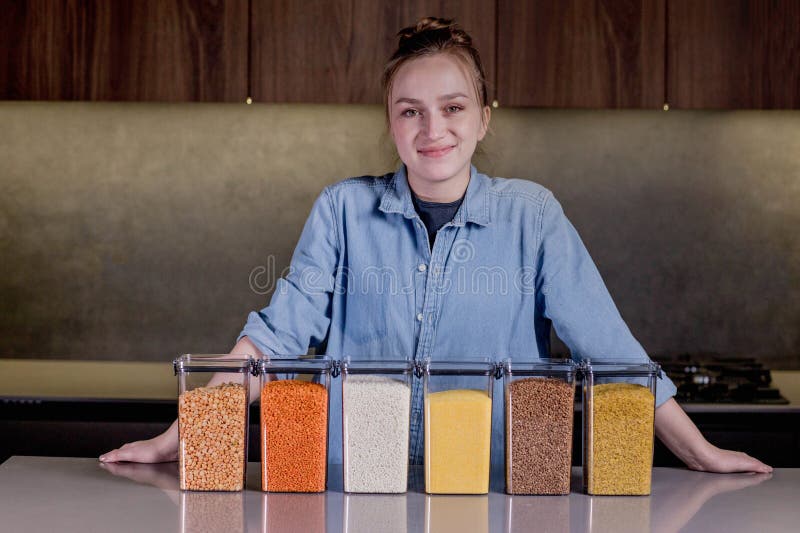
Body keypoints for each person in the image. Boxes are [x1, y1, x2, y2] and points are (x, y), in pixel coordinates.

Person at [100, 17, 770, 474]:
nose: (432, 129)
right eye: (409, 110)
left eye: (452, 107)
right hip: (352, 493)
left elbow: (613, 353)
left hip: (496, 493)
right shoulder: (341, 211)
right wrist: (179, 435)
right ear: (390, 122)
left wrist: (701, 451)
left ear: (483, 118)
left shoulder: (531, 216)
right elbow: (270, 340)